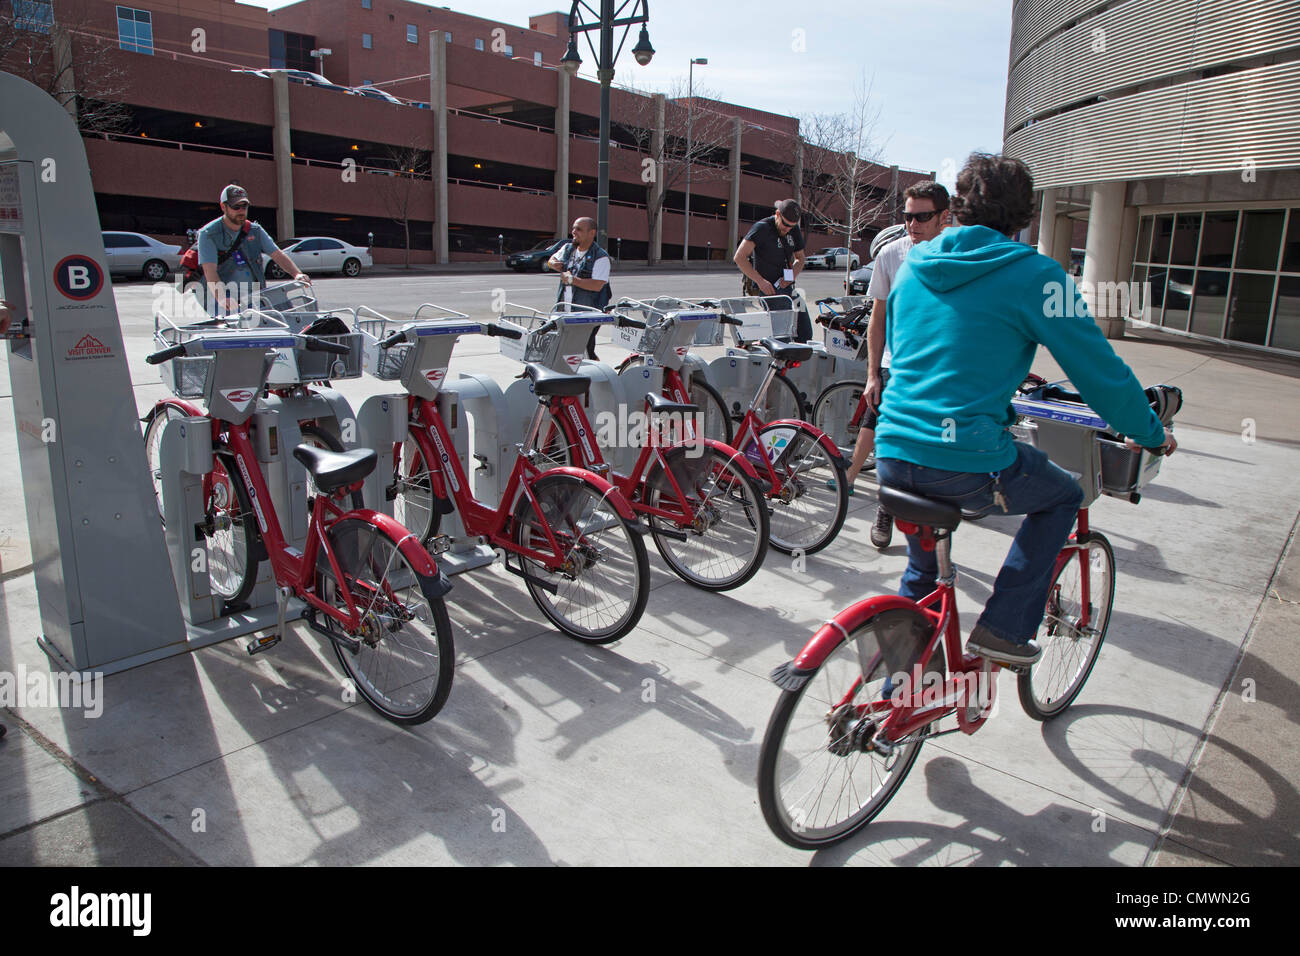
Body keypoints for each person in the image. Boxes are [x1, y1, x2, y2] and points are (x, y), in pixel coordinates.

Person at [874, 153, 1176, 666]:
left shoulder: (914, 266)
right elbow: (1098, 372)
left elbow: (915, 357)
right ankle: (1004, 627)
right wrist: (1148, 431)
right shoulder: (1036, 274)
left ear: (957, 209)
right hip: (963, 460)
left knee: (922, 574)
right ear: (1024, 215)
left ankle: (893, 705)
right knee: (1063, 496)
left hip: (893, 450)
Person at [844, 181, 951, 549]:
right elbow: (878, 318)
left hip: (939, 371)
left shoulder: (955, 257)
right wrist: (873, 373)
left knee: (930, 451)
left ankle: (929, 525)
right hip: (896, 366)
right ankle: (886, 507)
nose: (913, 224)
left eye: (922, 217)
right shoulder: (892, 255)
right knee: (886, 438)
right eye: (908, 216)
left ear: (944, 218)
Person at [196, 184, 308, 315]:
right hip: (219, 294)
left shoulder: (255, 230)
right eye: (236, 207)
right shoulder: (208, 233)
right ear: (223, 207)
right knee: (236, 325)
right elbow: (210, 272)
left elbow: (277, 255)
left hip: (252, 293)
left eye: (244, 206)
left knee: (286, 315)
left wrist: (297, 274)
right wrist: (221, 298)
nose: (241, 211)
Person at [733, 198, 811, 341]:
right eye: (785, 224)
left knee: (805, 331)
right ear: (777, 214)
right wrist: (760, 281)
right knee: (782, 335)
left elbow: (800, 259)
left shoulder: (794, 230)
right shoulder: (761, 228)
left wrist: (791, 276)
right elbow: (739, 257)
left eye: (791, 226)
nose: (787, 229)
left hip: (787, 287)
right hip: (768, 289)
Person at [547, 216, 612, 360]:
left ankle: (594, 377)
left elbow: (597, 285)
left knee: (585, 350)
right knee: (562, 348)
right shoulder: (568, 248)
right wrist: (552, 264)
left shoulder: (601, 257)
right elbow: (551, 259)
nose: (574, 232)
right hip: (565, 310)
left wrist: (572, 280)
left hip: (586, 314)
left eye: (579, 229)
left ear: (592, 233)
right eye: (573, 228)